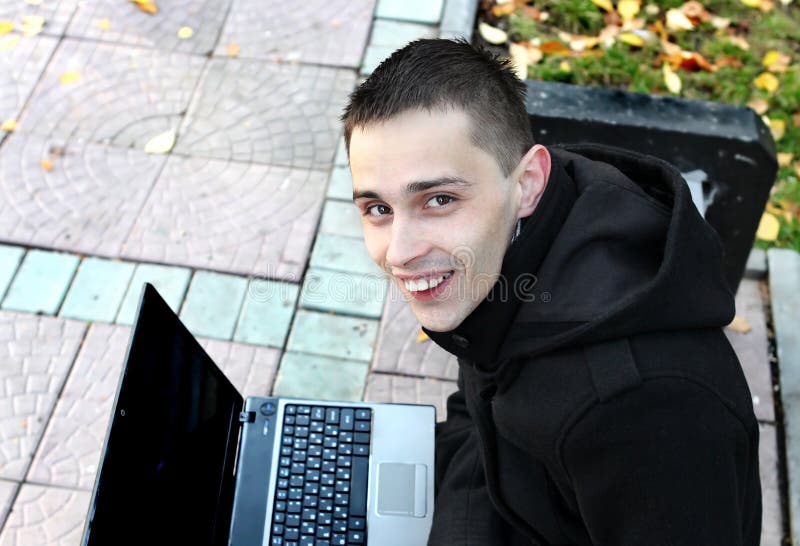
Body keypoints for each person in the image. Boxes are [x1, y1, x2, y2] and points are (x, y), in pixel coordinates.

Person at [342, 38, 761, 545]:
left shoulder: (644, 410)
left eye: (439, 199)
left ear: (528, 182)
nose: (399, 252)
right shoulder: (508, 256)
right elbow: (483, 411)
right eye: (378, 209)